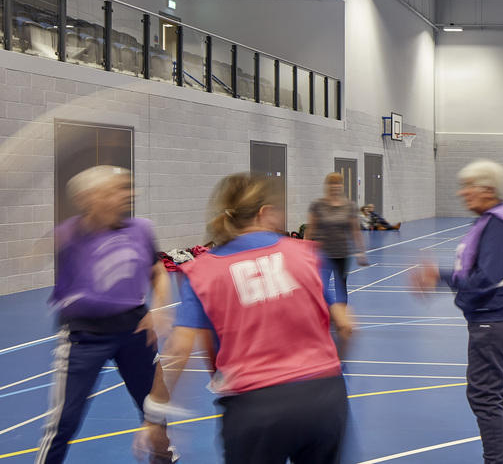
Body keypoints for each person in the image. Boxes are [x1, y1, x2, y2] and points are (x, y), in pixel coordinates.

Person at [142, 172, 353, 464]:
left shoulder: (202, 272)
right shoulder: (309, 255)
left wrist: (154, 414)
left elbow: (178, 351)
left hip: (254, 408)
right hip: (323, 399)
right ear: (265, 213)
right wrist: (334, 372)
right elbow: (346, 326)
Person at [37, 166, 176, 464]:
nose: (128, 194)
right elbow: (47, 264)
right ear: (90, 198)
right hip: (85, 336)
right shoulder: (69, 234)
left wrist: (160, 309)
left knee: (154, 407)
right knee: (65, 420)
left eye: (128, 188)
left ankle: (163, 458)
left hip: (135, 329)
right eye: (117, 189)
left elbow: (158, 272)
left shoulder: (141, 228)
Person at [411, 160, 503, 464]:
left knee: (483, 394)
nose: (462, 193)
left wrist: (439, 276)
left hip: (495, 315)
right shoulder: (494, 218)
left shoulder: (497, 223)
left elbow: (486, 277)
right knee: (498, 389)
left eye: (468, 187)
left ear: (488, 189)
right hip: (500, 312)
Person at [306, 173, 368, 299]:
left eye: (338, 183)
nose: (335, 186)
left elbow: (354, 230)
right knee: (322, 287)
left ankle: (340, 314)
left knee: (341, 286)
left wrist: (360, 251)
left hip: (342, 253)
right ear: (327, 186)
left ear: (342, 186)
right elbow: (310, 229)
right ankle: (326, 313)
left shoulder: (349, 206)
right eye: (332, 183)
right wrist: (304, 249)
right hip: (323, 253)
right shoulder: (318, 205)